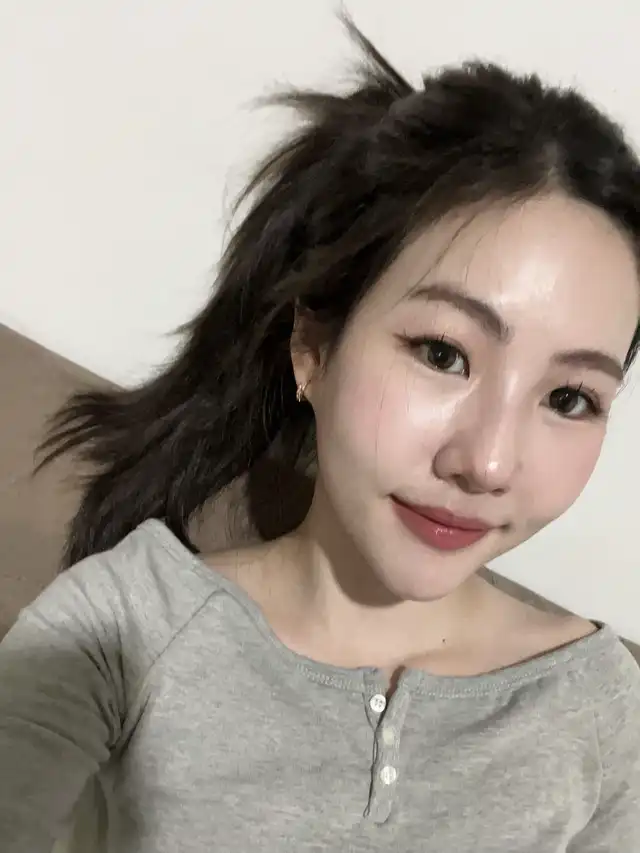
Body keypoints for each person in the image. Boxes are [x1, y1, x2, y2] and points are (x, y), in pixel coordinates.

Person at [1, 15, 639, 853]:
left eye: (569, 397)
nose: (488, 462)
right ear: (313, 346)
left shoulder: (600, 714)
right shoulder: (125, 625)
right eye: (442, 353)